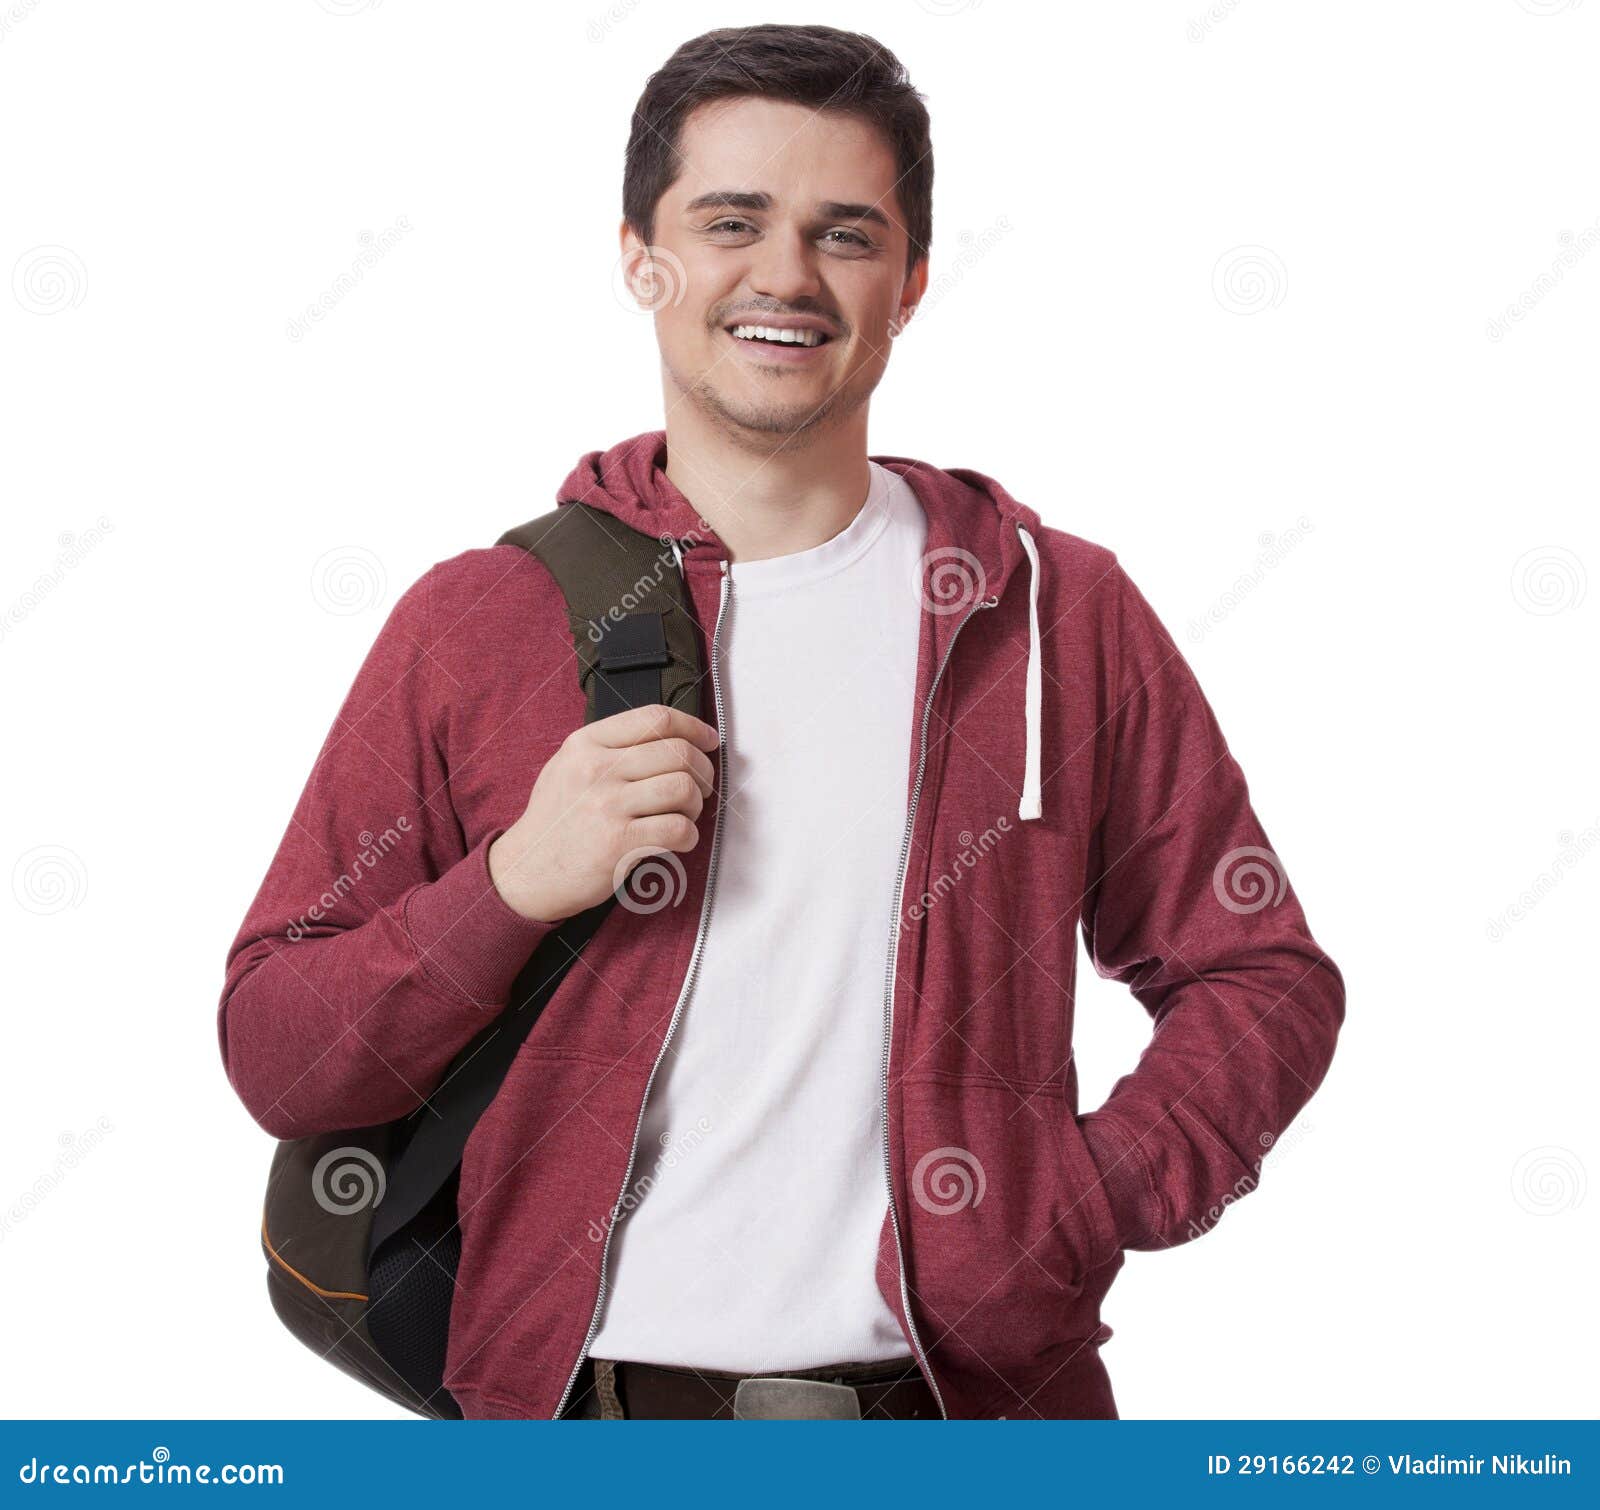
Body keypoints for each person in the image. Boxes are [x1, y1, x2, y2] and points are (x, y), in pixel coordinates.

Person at [218, 23, 1344, 1421]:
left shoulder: (1053, 609)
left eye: (846, 233)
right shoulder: (478, 620)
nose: (786, 277)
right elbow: (280, 1046)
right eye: (731, 221)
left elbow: (1262, 977)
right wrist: (510, 884)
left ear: (913, 280)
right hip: (577, 1421)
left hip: (977, 1419)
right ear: (640, 256)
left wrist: (1079, 1203)